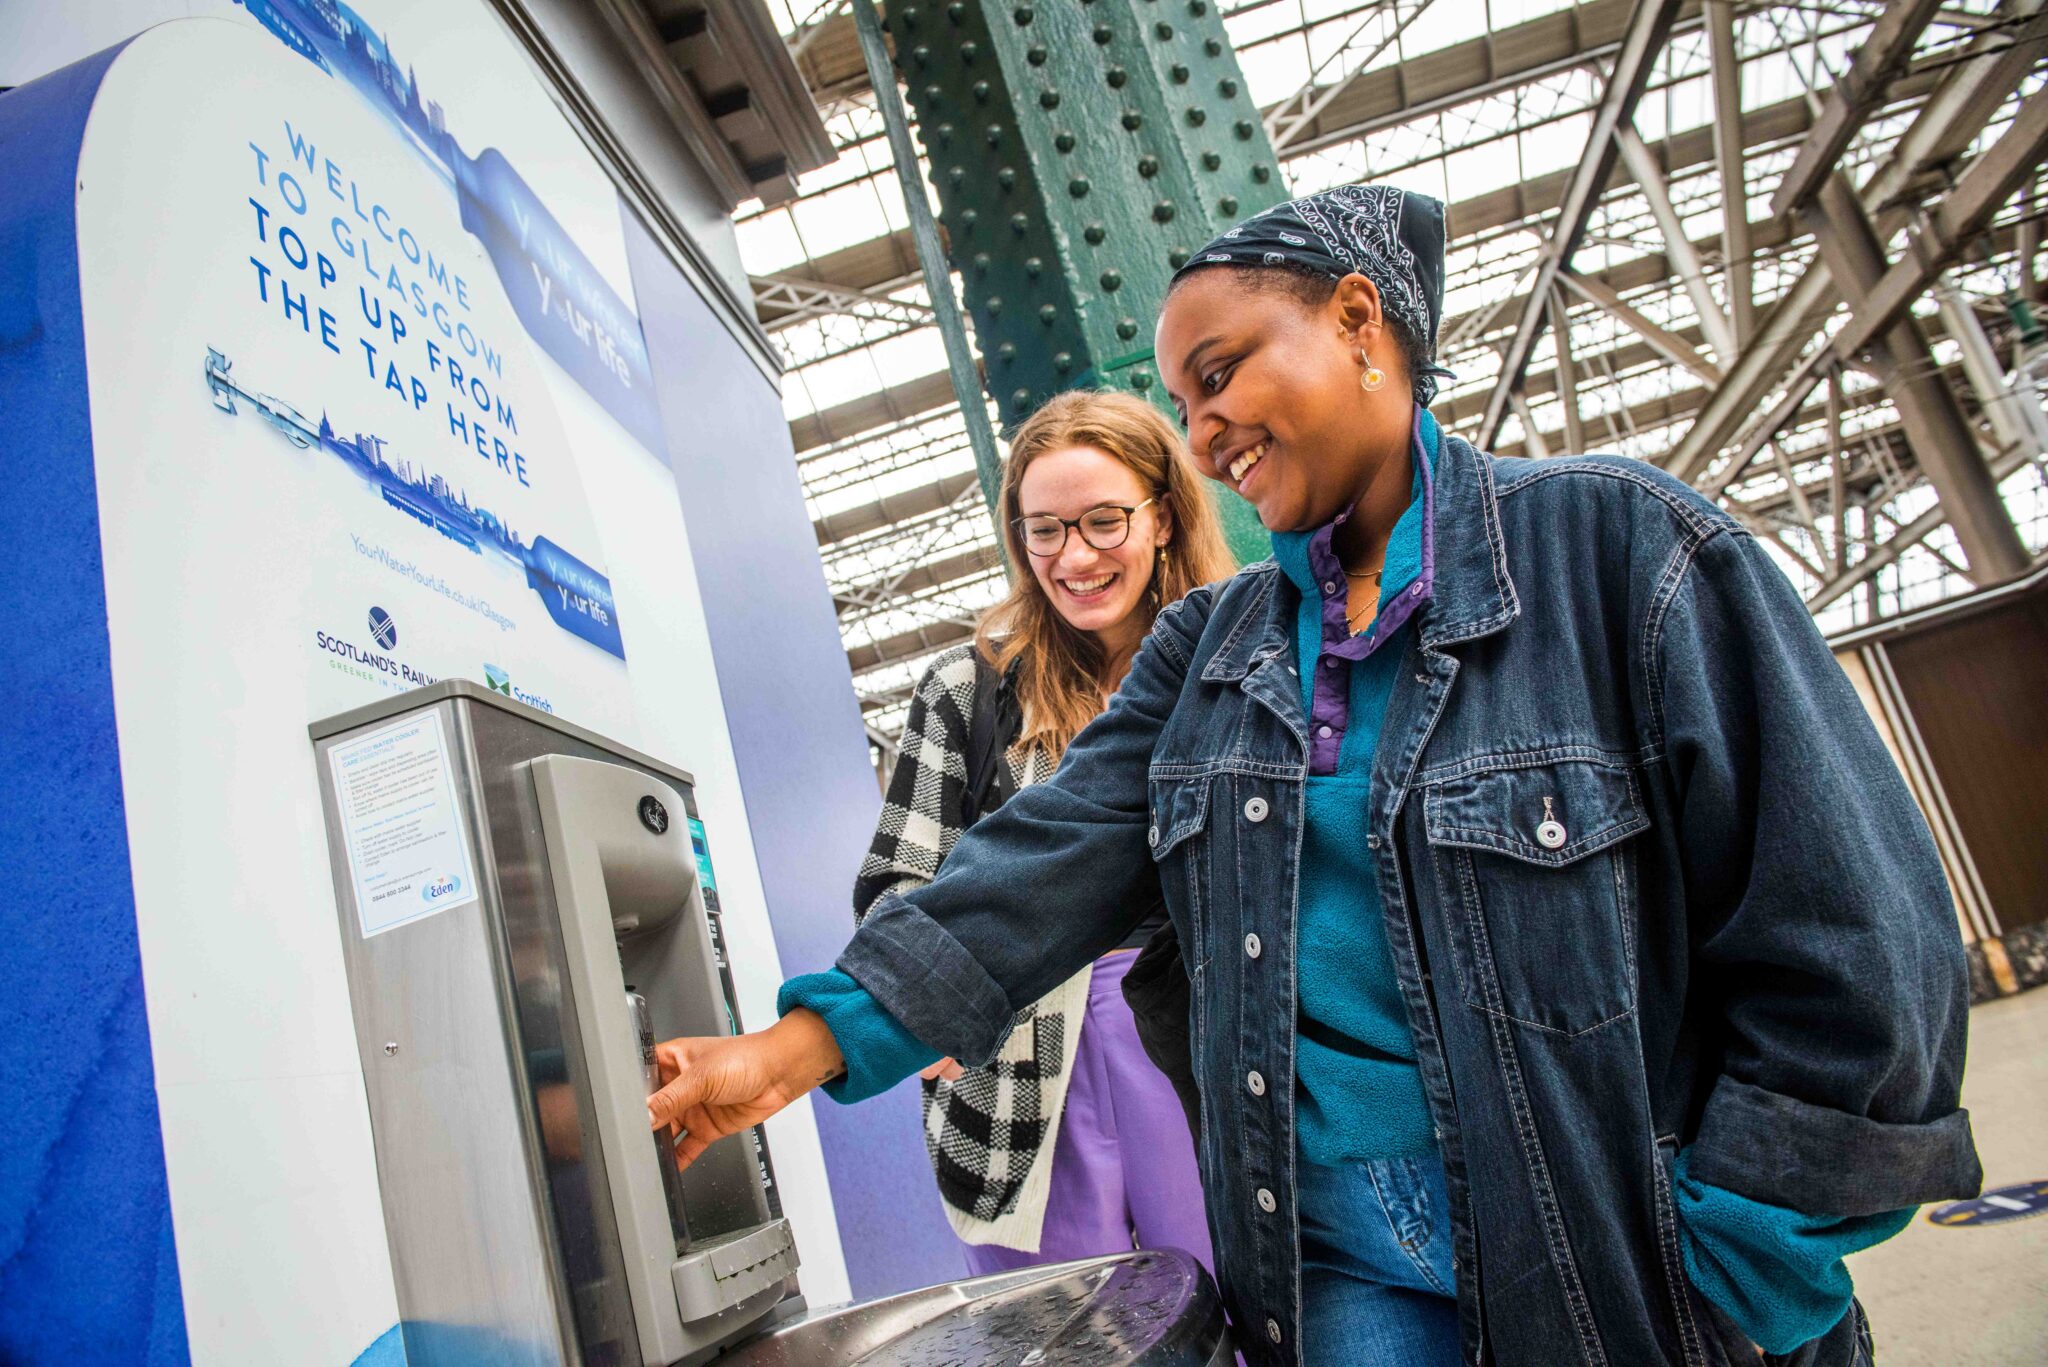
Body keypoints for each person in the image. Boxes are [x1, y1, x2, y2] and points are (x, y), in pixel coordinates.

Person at [648, 186, 1980, 1367]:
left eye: (1220, 371)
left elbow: (1856, 936)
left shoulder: (1624, 550)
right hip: (1331, 1254)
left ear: (1358, 320)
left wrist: (1750, 1250)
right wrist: (789, 1052)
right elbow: (1043, 857)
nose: (1205, 425)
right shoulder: (1207, 650)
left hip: (1611, 1239)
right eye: (1183, 400)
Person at [854, 388, 1234, 1273]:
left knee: (1242, 1301)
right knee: (1068, 1327)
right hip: (1016, 1046)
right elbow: (895, 881)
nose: (1076, 556)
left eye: (1105, 521)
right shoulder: (969, 687)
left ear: (1165, 517)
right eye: (1046, 530)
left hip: (1198, 1028)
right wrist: (922, 1016)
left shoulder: (1232, 661)